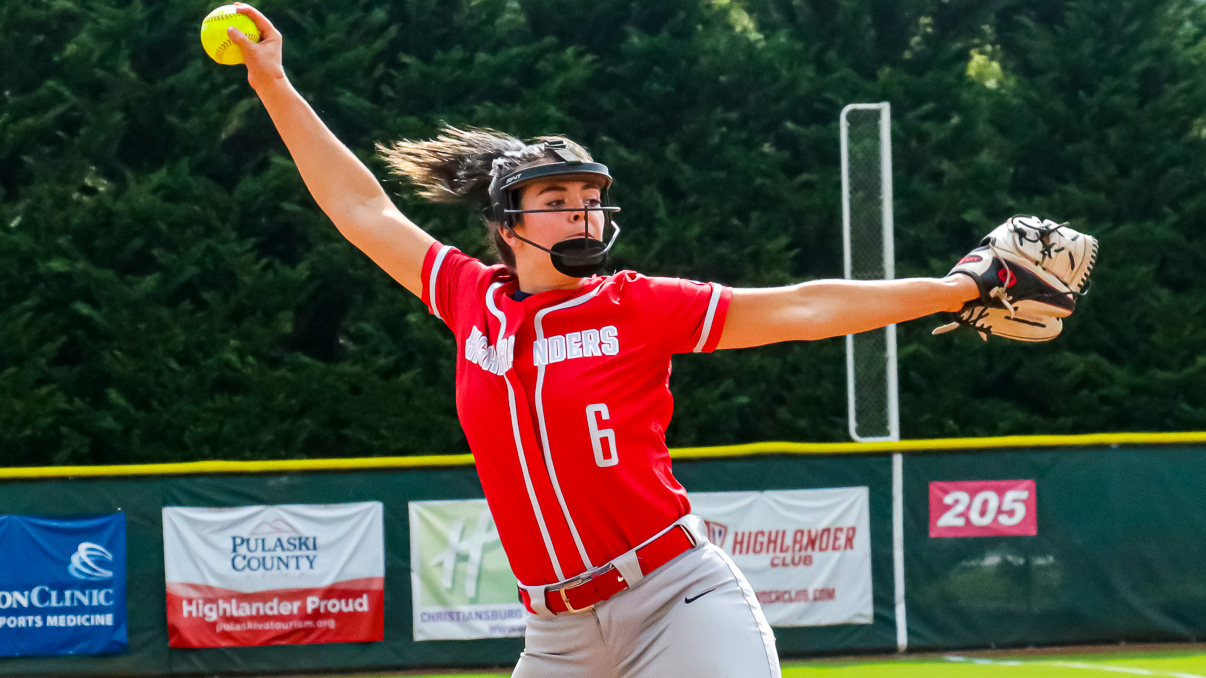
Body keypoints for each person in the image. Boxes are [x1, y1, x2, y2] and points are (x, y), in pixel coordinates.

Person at [223, 5, 983, 676]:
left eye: (590, 200)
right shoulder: (469, 298)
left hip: (677, 600)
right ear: (506, 225)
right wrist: (274, 87)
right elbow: (362, 207)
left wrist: (955, 290)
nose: (582, 215)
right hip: (556, 636)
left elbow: (802, 307)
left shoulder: (638, 307)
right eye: (556, 201)